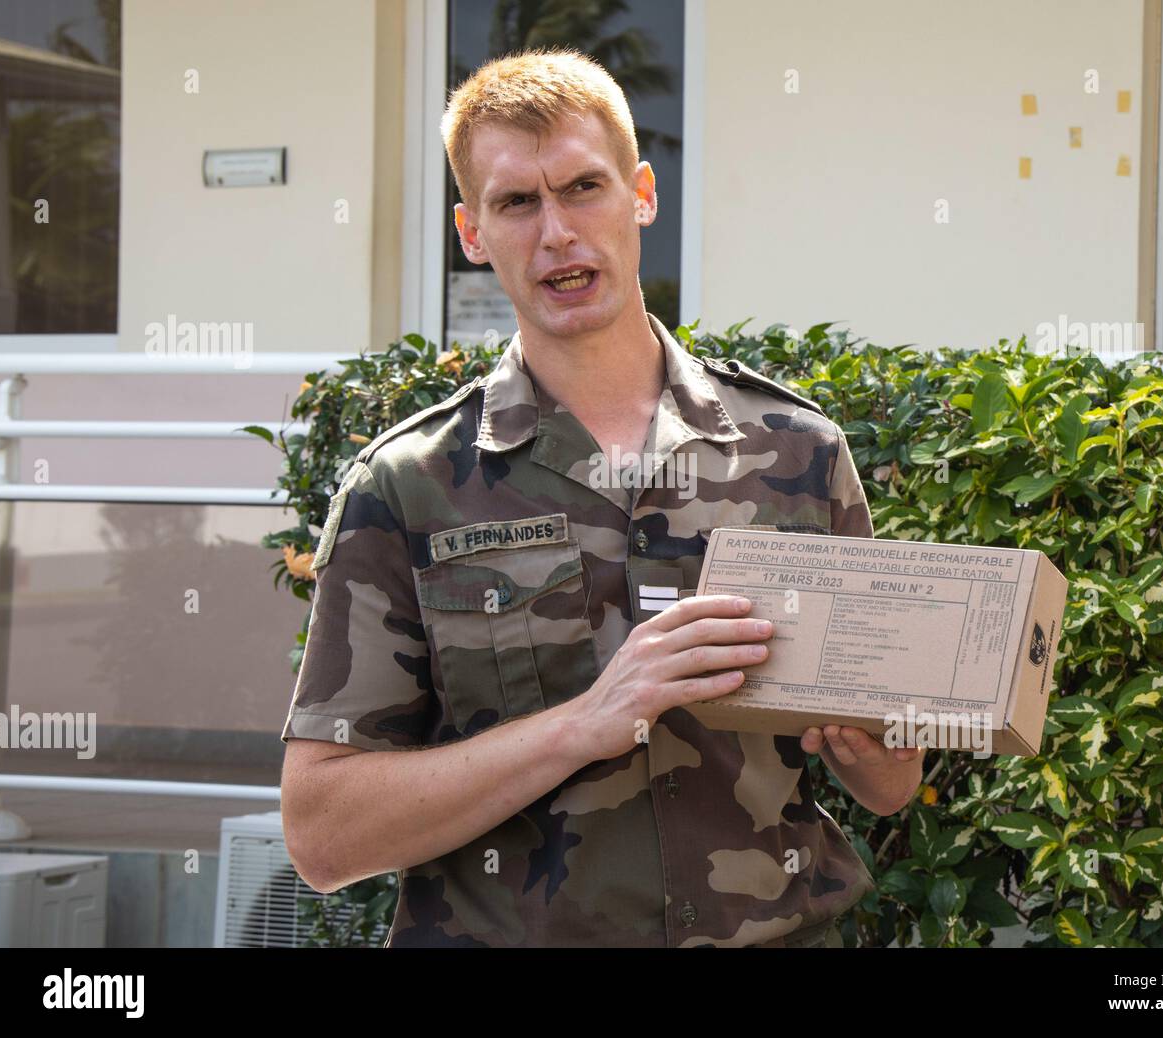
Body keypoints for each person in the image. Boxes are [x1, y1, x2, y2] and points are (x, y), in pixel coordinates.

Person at [280, 47, 924, 948]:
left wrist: (881, 754)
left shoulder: (798, 450)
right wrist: (587, 723)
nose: (557, 233)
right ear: (472, 233)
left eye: (584, 188)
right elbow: (323, 835)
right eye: (516, 202)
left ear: (643, 195)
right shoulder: (409, 484)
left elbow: (890, 787)